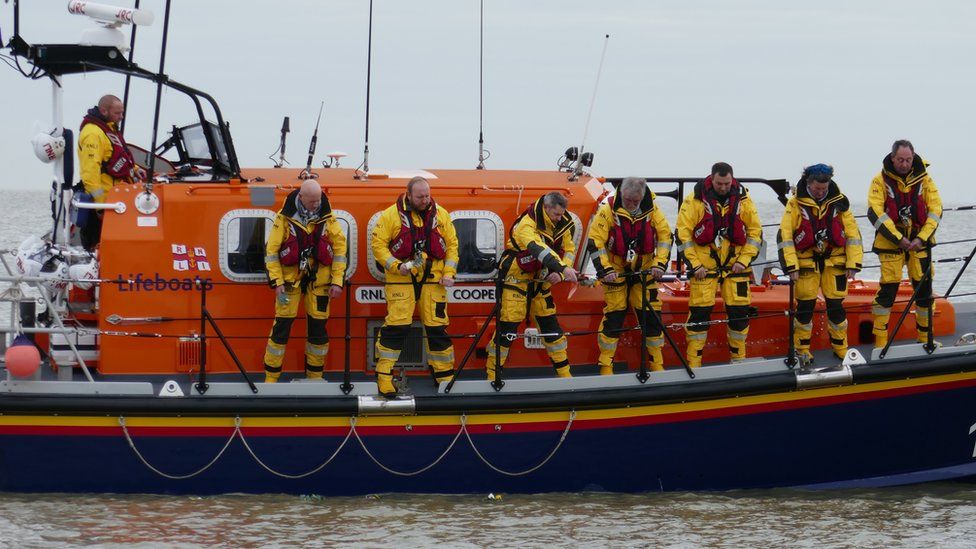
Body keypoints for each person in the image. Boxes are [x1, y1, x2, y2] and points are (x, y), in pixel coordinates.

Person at [371, 177, 459, 397]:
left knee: (437, 329)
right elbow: (378, 245)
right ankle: (383, 377)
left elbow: (452, 246)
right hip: (401, 278)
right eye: (420, 196)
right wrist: (395, 265)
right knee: (396, 327)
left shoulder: (442, 215)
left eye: (427, 195)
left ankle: (445, 377)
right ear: (408, 195)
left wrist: (449, 273)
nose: (425, 200)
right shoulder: (391, 215)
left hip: (433, 280)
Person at [675, 162, 762, 367]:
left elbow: (755, 233)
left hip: (736, 269)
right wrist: (695, 266)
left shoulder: (744, 200)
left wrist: (744, 260)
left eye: (726, 183)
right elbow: (683, 235)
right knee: (699, 317)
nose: (723, 187)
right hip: (704, 271)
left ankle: (738, 361)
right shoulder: (694, 200)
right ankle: (693, 363)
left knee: (739, 316)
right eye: (719, 183)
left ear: (732, 180)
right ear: (711, 179)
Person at [485, 191, 578, 380]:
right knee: (507, 331)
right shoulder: (526, 224)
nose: (560, 218)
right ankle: (492, 377)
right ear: (546, 208)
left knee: (552, 330)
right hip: (515, 280)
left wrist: (560, 272)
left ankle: (566, 377)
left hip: (541, 281)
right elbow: (537, 248)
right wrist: (561, 267)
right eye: (556, 215)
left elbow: (569, 249)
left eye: (561, 214)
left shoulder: (564, 223)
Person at [263, 179, 347, 383]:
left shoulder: (328, 218)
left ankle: (315, 377)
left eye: (318, 200)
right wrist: (277, 281)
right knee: (281, 330)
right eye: (312, 202)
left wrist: (337, 281)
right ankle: (271, 378)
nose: (316, 205)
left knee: (318, 331)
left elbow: (340, 250)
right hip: (290, 283)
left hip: (320, 283)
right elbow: (271, 252)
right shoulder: (283, 219)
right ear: (301, 198)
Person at [777, 164, 862, 365]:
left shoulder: (840, 203)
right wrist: (791, 267)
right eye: (817, 189)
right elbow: (785, 236)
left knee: (836, 307)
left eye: (824, 189)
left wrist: (854, 263)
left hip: (835, 263)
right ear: (808, 183)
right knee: (805, 307)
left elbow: (853, 235)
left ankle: (841, 349)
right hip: (806, 264)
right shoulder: (794, 205)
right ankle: (802, 350)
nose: (821, 192)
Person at [587, 177, 672, 375]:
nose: (631, 204)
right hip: (615, 270)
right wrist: (605, 270)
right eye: (628, 200)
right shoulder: (608, 210)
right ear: (621, 194)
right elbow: (595, 242)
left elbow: (665, 237)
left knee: (651, 316)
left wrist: (660, 264)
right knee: (614, 315)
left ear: (642, 197)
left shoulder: (653, 210)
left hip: (645, 269)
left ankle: (657, 364)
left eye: (635, 201)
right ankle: (606, 366)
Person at [867, 140, 943, 348]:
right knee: (887, 293)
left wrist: (921, 238)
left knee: (925, 292)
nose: (904, 164)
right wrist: (899, 239)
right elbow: (875, 212)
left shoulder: (925, 179)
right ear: (893, 158)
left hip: (920, 244)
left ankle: (926, 338)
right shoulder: (879, 180)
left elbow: (936, 210)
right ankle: (881, 343)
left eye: (908, 160)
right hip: (891, 245)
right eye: (900, 160)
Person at [77, 94, 146, 250]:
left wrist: (134, 170)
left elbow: (115, 157)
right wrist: (100, 206)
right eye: (117, 113)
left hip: (116, 201)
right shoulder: (93, 134)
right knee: (97, 247)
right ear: (103, 111)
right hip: (103, 205)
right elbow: (90, 173)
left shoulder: (109, 128)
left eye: (122, 113)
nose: (121, 117)